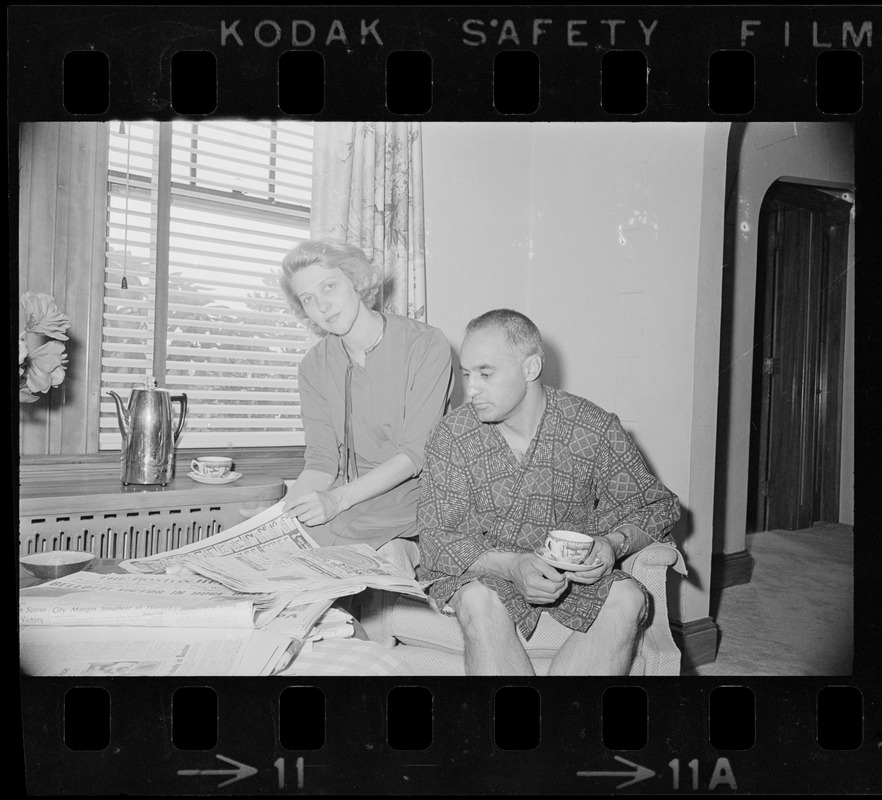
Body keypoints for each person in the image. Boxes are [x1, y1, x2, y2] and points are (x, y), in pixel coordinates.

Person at [417, 309, 681, 675]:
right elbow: (436, 539)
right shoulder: (452, 436)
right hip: (486, 572)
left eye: (485, 373)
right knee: (479, 601)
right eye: (466, 374)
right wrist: (511, 565)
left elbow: (657, 506)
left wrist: (612, 544)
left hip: (572, 577)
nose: (471, 389)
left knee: (628, 597)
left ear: (530, 368)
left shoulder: (592, 427)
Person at [280, 239, 454, 553]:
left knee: (318, 544)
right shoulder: (312, 366)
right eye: (308, 299)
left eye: (329, 286)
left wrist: (336, 501)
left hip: (414, 491)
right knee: (284, 538)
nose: (322, 306)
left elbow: (414, 455)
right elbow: (321, 462)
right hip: (349, 495)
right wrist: (282, 516)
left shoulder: (426, 344)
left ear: (356, 281)